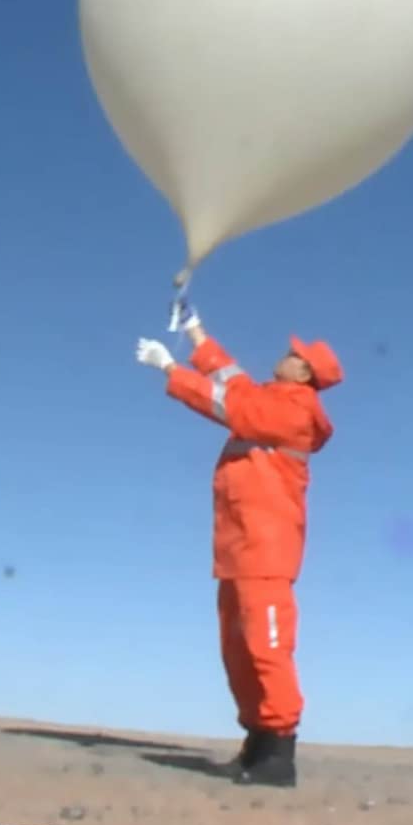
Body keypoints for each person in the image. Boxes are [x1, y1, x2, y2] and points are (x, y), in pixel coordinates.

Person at [135, 300, 342, 788]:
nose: (286, 352)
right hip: (236, 548)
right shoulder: (273, 397)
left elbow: (232, 405)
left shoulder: (296, 411)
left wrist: (169, 368)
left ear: (305, 371)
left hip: (267, 550)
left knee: (267, 646)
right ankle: (256, 744)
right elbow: (231, 377)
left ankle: (279, 753)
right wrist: (194, 330)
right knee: (237, 648)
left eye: (295, 353)